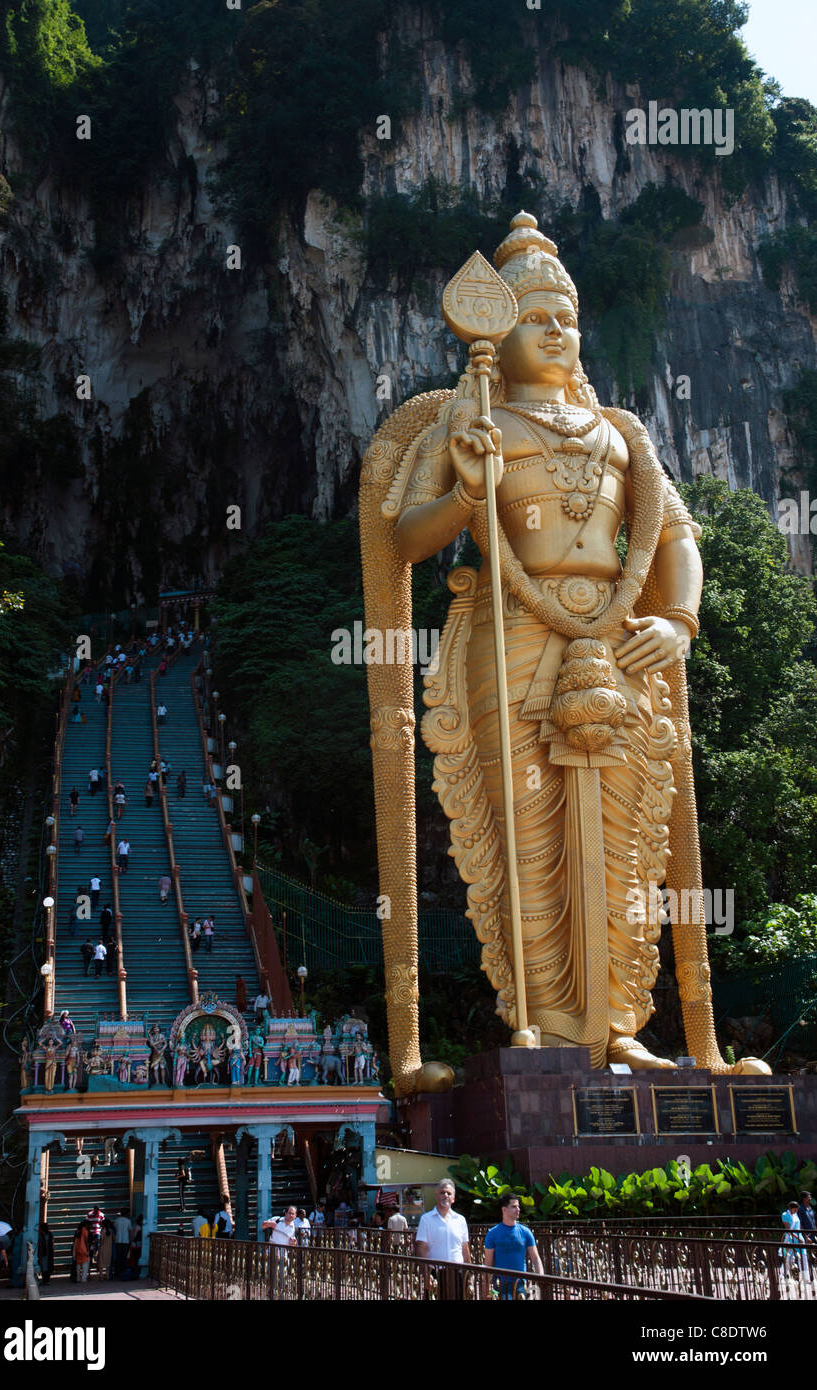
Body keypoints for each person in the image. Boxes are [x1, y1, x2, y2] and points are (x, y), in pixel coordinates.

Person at [359, 210, 762, 1087]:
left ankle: (619, 1026)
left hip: (619, 646)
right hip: (510, 639)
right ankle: (541, 1027)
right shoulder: (467, 426)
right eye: (534, 318)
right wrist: (468, 492)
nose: (556, 331)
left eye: (565, 318)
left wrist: (679, 620)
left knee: (627, 839)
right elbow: (401, 541)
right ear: (494, 335)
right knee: (525, 835)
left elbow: (672, 539)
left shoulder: (622, 431)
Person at [483, 1192, 544, 1299]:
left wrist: (541, 1279)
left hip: (520, 1283)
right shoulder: (492, 1233)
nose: (518, 1209)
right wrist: (485, 1288)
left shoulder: (526, 1232)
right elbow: (488, 1264)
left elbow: (536, 1259)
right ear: (504, 1209)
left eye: (518, 1206)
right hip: (500, 1284)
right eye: (514, 1206)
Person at [415, 1180, 470, 1265]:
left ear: (453, 1199)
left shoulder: (460, 1220)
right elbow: (421, 1248)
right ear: (436, 1196)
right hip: (435, 1273)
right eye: (442, 1193)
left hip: (457, 1272)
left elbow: (465, 1249)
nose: (445, 1195)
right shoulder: (426, 1220)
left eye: (449, 1193)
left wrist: (468, 1274)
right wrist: (426, 1274)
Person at [781, 1200, 807, 1278]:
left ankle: (805, 1276)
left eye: (797, 1209)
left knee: (803, 1256)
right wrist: (797, 1238)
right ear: (790, 1208)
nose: (796, 1211)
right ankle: (785, 1274)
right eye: (794, 1209)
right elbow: (788, 1229)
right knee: (789, 1257)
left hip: (799, 1237)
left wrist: (805, 1237)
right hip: (791, 1237)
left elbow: (799, 1227)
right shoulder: (785, 1215)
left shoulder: (796, 1215)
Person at [37, 1221, 55, 1286]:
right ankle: (47, 1280)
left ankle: (45, 1280)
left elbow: (39, 1244)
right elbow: (52, 1243)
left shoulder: (41, 1235)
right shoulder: (50, 1234)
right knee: (48, 1266)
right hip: (49, 1252)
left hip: (43, 1253)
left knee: (44, 1266)